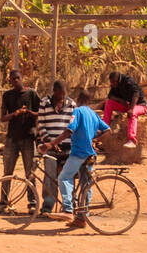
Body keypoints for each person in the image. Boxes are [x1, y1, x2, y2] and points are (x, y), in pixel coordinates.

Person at [46, 89, 109, 229]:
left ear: (78, 99)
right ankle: (82, 218)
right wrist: (94, 139)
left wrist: (51, 143)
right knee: (86, 185)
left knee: (63, 177)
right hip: (90, 154)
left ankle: (68, 209)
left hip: (79, 153)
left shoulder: (78, 111)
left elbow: (69, 130)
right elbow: (107, 130)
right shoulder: (93, 114)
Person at [0, 68, 41, 212]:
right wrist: (15, 113)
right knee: (7, 173)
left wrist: (28, 112)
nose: (15, 80)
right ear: (10, 80)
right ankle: (3, 203)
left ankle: (32, 204)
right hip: (12, 139)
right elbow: (3, 118)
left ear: (22, 78)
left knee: (30, 173)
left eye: (17, 78)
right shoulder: (7, 95)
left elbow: (40, 113)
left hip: (28, 138)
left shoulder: (32, 94)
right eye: (13, 79)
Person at [35, 81, 75, 214]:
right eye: (60, 93)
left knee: (66, 176)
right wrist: (50, 142)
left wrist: (60, 142)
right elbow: (40, 125)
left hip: (67, 147)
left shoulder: (71, 105)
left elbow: (72, 126)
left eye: (64, 94)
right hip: (50, 147)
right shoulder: (44, 103)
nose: (62, 97)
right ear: (54, 91)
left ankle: (68, 207)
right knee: (50, 176)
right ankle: (47, 207)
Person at [103, 70, 147, 148]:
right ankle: (105, 127)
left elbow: (136, 94)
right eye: (111, 82)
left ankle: (132, 140)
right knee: (108, 103)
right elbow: (110, 96)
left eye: (113, 82)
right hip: (128, 105)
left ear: (118, 79)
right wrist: (120, 100)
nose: (112, 84)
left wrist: (131, 108)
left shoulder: (128, 81)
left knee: (132, 113)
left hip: (140, 105)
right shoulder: (115, 85)